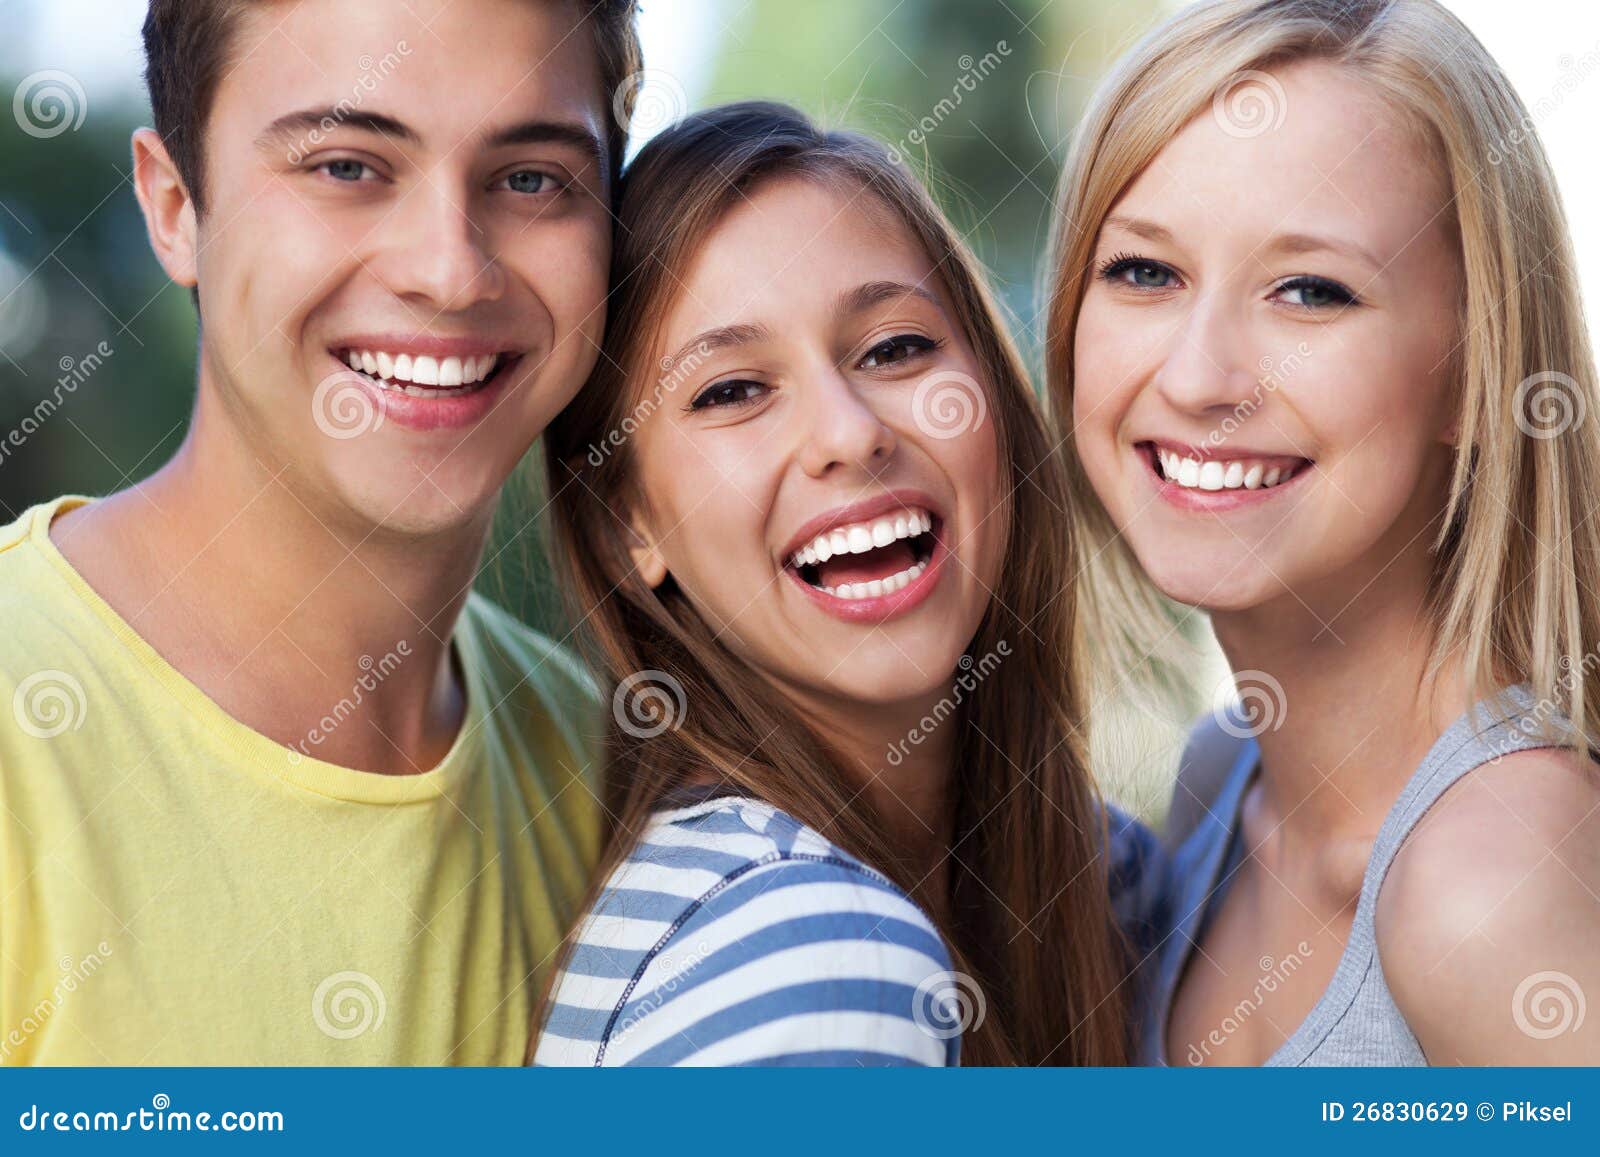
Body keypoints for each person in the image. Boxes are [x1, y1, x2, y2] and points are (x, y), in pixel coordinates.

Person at [0, 0, 639, 1064]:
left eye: (532, 179)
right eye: (347, 167)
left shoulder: (612, 782)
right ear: (175, 207)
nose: (450, 270)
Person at [532, 102, 1163, 1067]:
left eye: (894, 348)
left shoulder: (1110, 883)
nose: (849, 432)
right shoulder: (810, 960)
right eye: (733, 390)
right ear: (629, 528)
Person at [1048, 0, 1600, 1064]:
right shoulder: (1219, 782)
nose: (1197, 377)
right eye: (1145, 272)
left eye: (1310, 291)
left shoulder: (1494, 882)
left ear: (1481, 370)